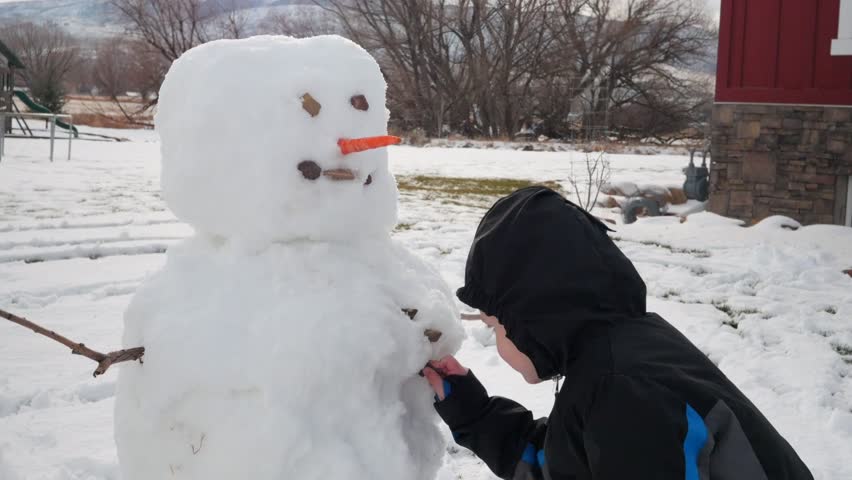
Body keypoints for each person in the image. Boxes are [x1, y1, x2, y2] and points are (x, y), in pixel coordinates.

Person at [421, 186, 813, 480]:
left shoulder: (624, 390)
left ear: (531, 317)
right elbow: (565, 465)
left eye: (495, 326)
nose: (498, 344)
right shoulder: (616, 361)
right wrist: (476, 415)